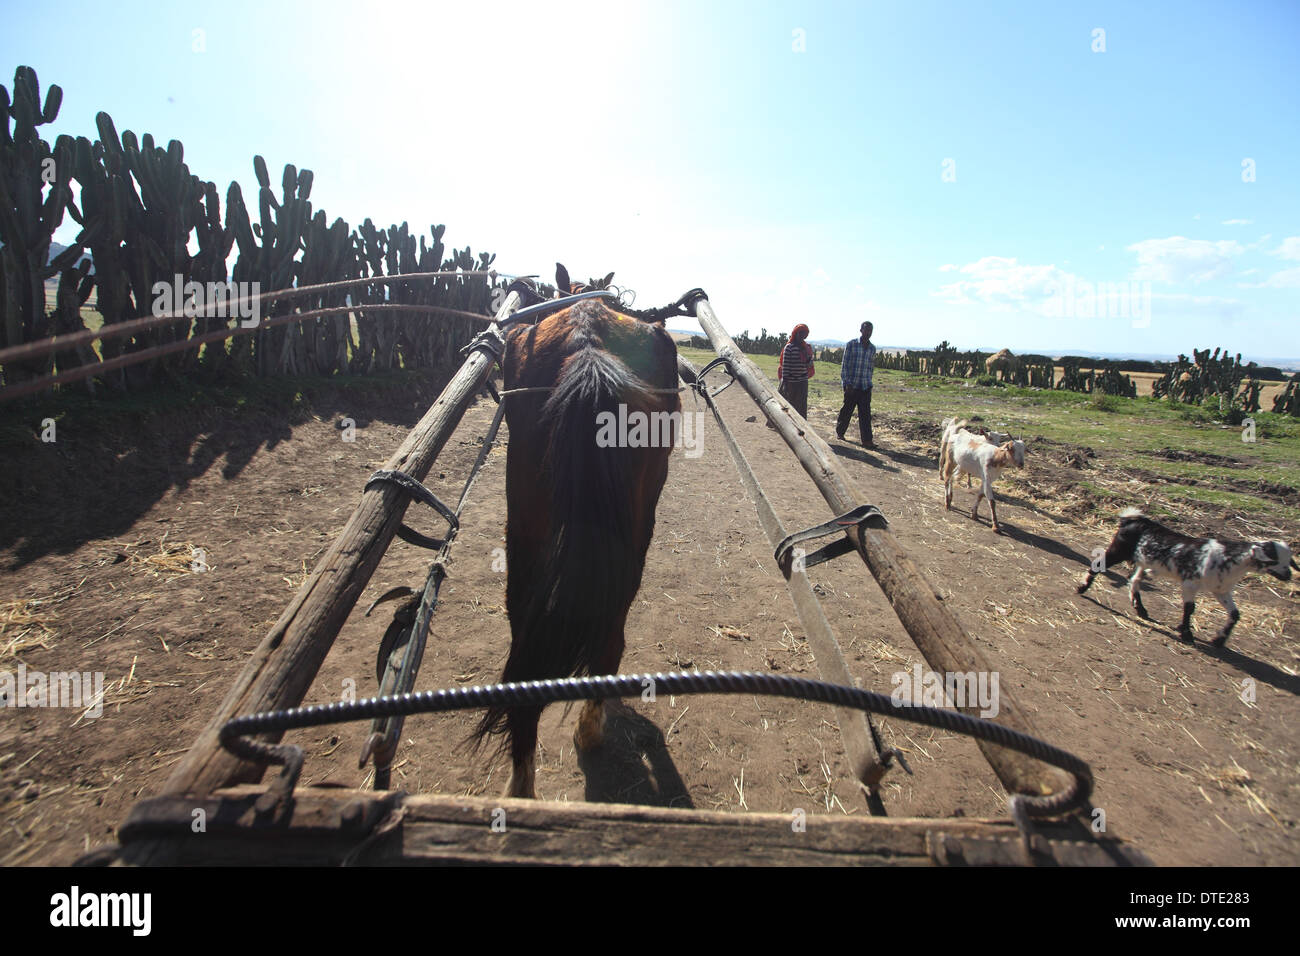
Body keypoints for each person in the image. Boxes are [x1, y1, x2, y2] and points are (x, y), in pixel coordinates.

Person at [837, 321, 877, 448]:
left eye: (870, 331)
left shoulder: (872, 348)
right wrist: (846, 383)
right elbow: (845, 365)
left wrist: (870, 382)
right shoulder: (852, 344)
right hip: (852, 385)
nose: (868, 333)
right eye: (866, 330)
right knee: (847, 410)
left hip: (865, 385)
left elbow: (871, 367)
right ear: (861, 330)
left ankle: (867, 440)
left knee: (865, 414)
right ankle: (840, 432)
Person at [776, 324, 815, 421]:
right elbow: (785, 366)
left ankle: (802, 424)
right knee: (789, 404)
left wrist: (809, 360)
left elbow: (809, 365)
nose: (802, 336)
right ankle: (787, 424)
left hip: (802, 381)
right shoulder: (789, 347)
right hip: (790, 382)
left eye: (804, 334)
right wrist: (785, 382)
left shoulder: (806, 348)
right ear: (796, 334)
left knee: (801, 405)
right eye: (800, 333)